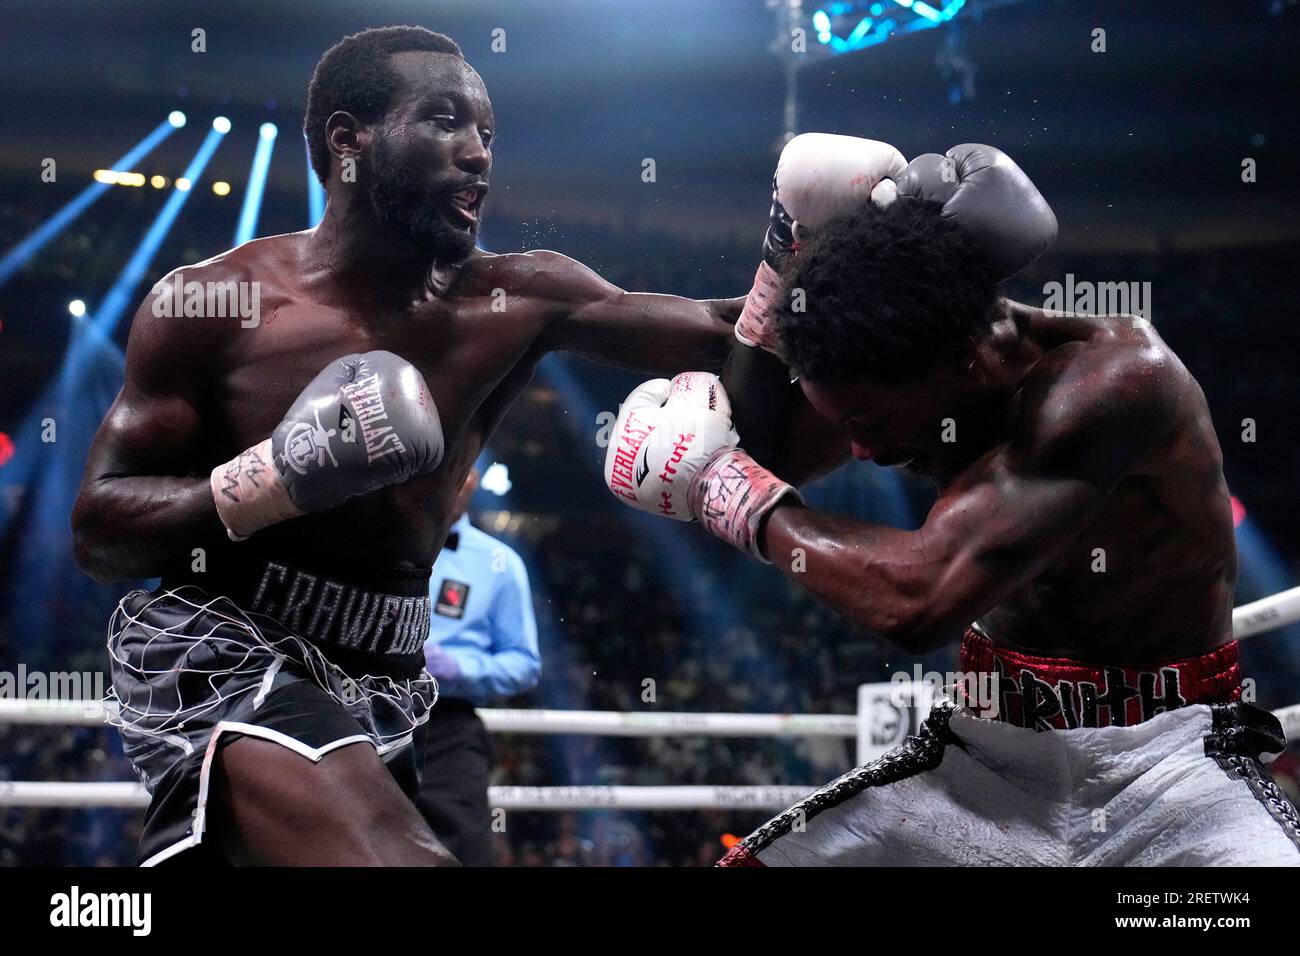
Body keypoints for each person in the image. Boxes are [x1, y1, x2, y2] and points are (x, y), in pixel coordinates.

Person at [71, 25, 738, 866]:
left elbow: (724, 332)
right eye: (444, 122)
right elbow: (99, 531)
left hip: (386, 675)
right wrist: (272, 478)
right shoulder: (214, 303)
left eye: (487, 133)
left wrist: (825, 259)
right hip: (221, 644)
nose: (477, 155)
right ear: (348, 141)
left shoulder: (517, 299)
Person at [603, 133, 1300, 865]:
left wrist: (722, 487)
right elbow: (772, 459)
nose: (863, 452)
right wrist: (779, 266)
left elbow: (918, 603)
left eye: (869, 425)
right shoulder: (905, 367)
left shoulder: (1113, 380)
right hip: (988, 758)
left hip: (1173, 768)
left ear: (962, 361)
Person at [417, 467, 540, 866]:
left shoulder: (499, 563)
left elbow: (524, 664)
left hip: (446, 724)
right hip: (363, 713)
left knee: (465, 852)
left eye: (464, 464)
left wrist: (462, 668)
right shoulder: (378, 541)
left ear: (473, 479)